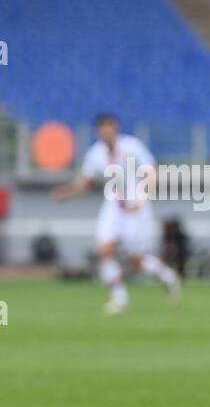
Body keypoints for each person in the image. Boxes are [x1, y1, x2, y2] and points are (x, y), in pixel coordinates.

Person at [52, 113, 180, 312]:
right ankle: (120, 298)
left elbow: (151, 170)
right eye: (102, 127)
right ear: (98, 131)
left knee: (135, 258)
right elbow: (85, 181)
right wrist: (67, 192)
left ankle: (167, 277)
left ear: (116, 128)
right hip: (112, 205)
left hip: (134, 206)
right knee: (104, 249)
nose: (106, 131)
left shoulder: (132, 146)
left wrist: (142, 197)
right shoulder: (95, 153)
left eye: (109, 126)